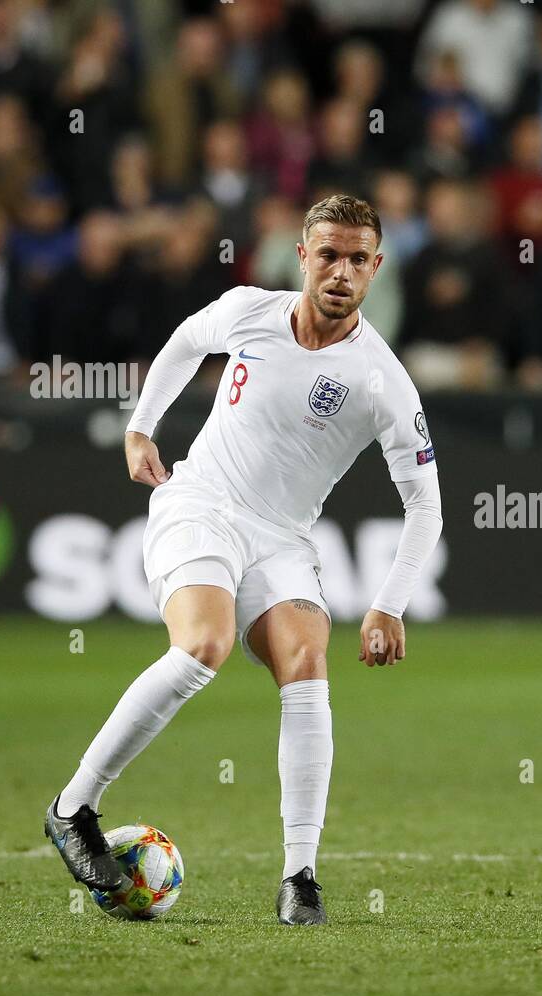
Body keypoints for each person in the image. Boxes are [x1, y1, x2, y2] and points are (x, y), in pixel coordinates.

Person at [44, 195, 443, 926]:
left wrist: (389, 601)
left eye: (359, 260)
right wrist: (141, 428)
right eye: (329, 255)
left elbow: (427, 504)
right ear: (302, 255)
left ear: (376, 269)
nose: (342, 272)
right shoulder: (249, 310)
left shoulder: (383, 380)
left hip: (283, 537)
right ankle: (73, 807)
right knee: (204, 644)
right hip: (200, 503)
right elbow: (186, 341)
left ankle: (301, 876)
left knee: (307, 663)